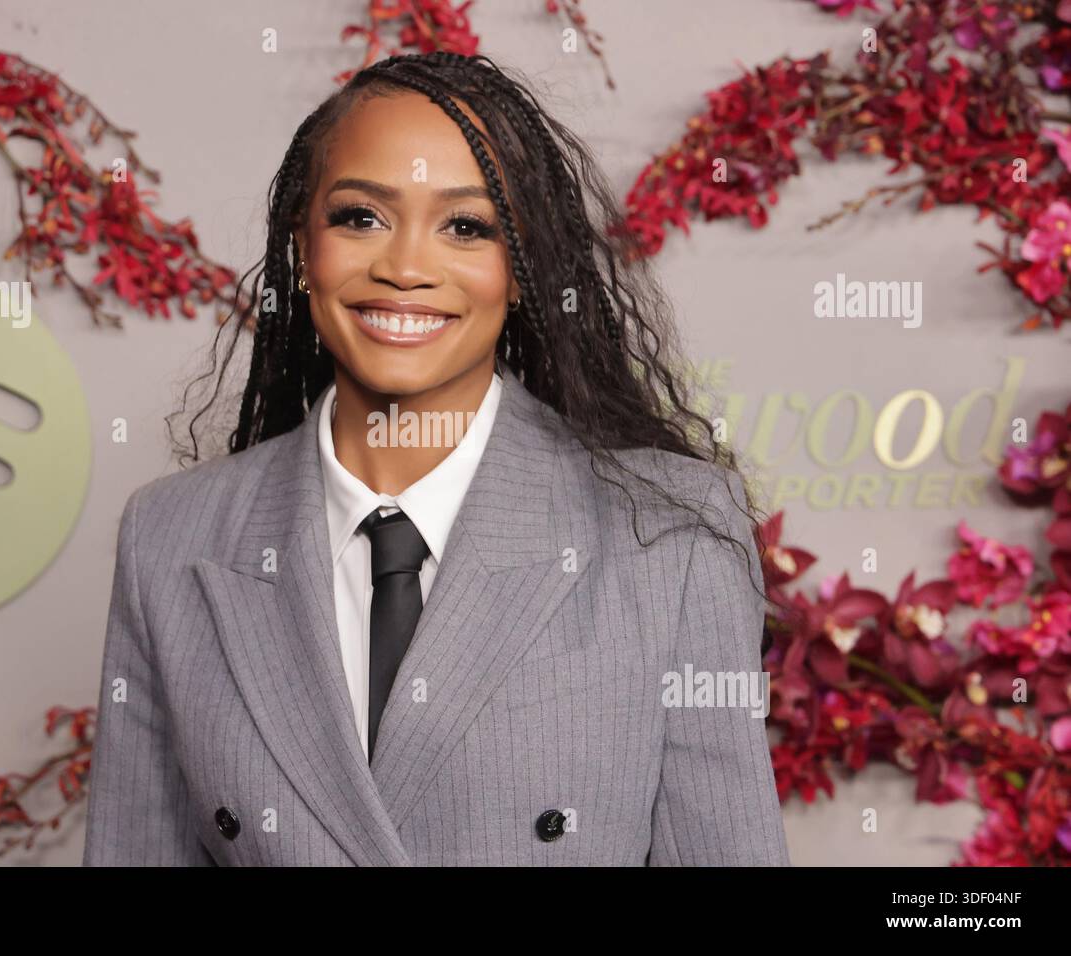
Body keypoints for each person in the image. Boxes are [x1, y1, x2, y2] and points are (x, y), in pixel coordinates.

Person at [82, 51, 789, 866]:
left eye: (467, 226)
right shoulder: (170, 538)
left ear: (523, 271)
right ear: (301, 247)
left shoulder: (671, 535)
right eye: (360, 217)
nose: (406, 268)